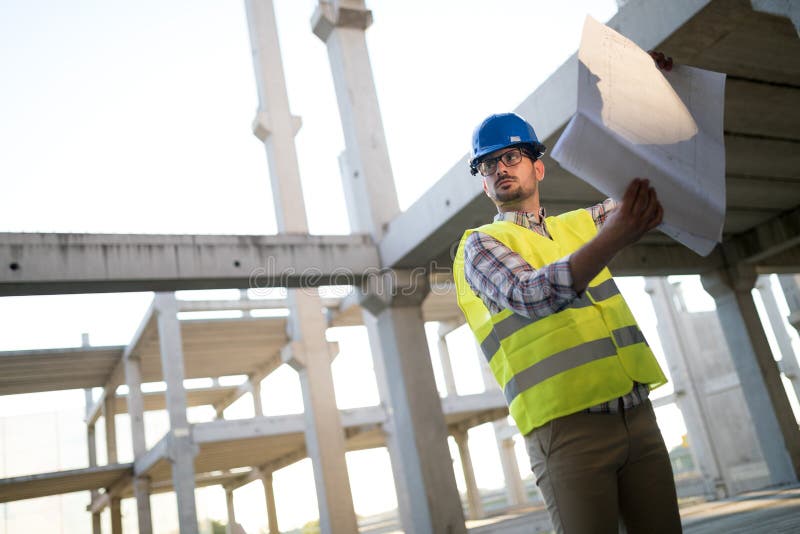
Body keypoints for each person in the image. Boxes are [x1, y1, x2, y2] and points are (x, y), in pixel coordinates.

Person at [453, 112, 682, 533]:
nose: (500, 168)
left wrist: (654, 111)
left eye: (511, 157)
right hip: (567, 432)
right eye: (488, 164)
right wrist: (616, 235)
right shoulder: (481, 245)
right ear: (484, 184)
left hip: (637, 415)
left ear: (537, 168)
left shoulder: (579, 225)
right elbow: (531, 294)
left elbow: (651, 191)